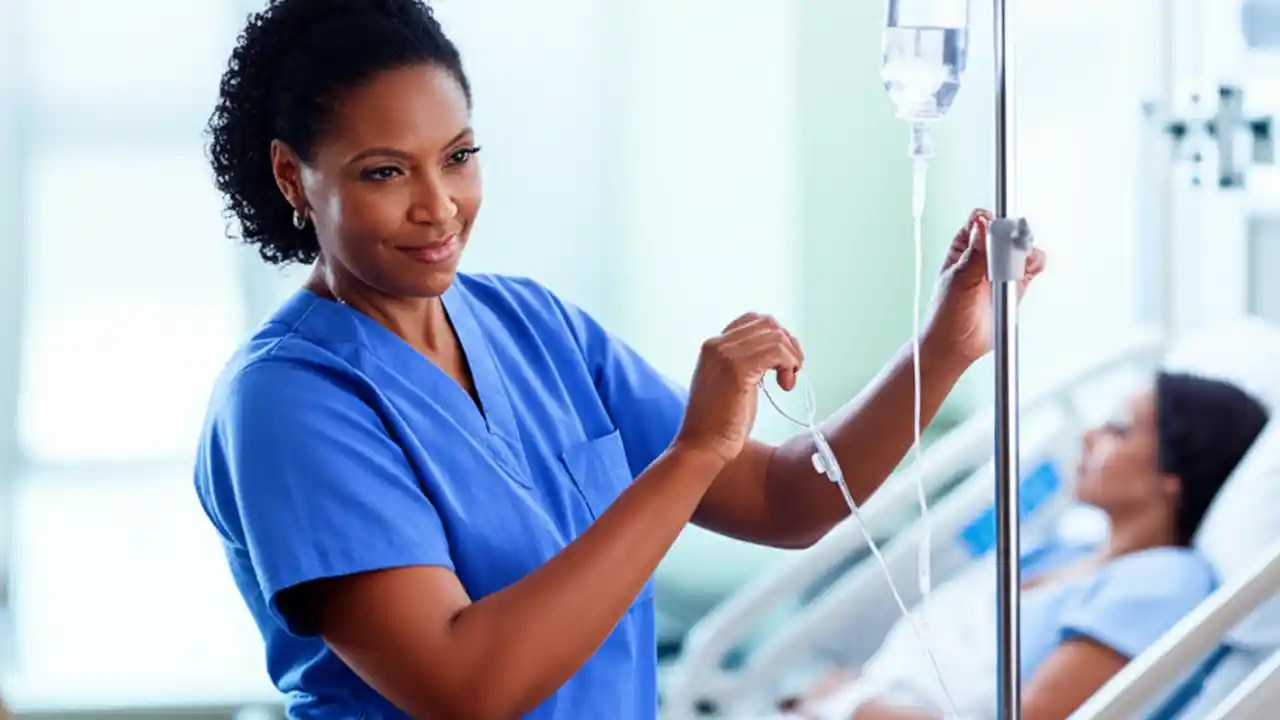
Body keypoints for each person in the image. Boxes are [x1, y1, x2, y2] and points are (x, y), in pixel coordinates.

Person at [192, 1, 1046, 718]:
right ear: (294, 179)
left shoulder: (532, 326)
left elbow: (787, 500)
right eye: (385, 173)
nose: (439, 205)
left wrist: (949, 346)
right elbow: (463, 685)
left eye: (458, 157)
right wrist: (692, 454)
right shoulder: (289, 403)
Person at [786, 373, 1269, 720]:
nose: (1088, 436)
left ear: (1173, 476)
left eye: (1118, 430)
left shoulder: (1164, 582)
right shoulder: (1062, 551)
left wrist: (851, 705)